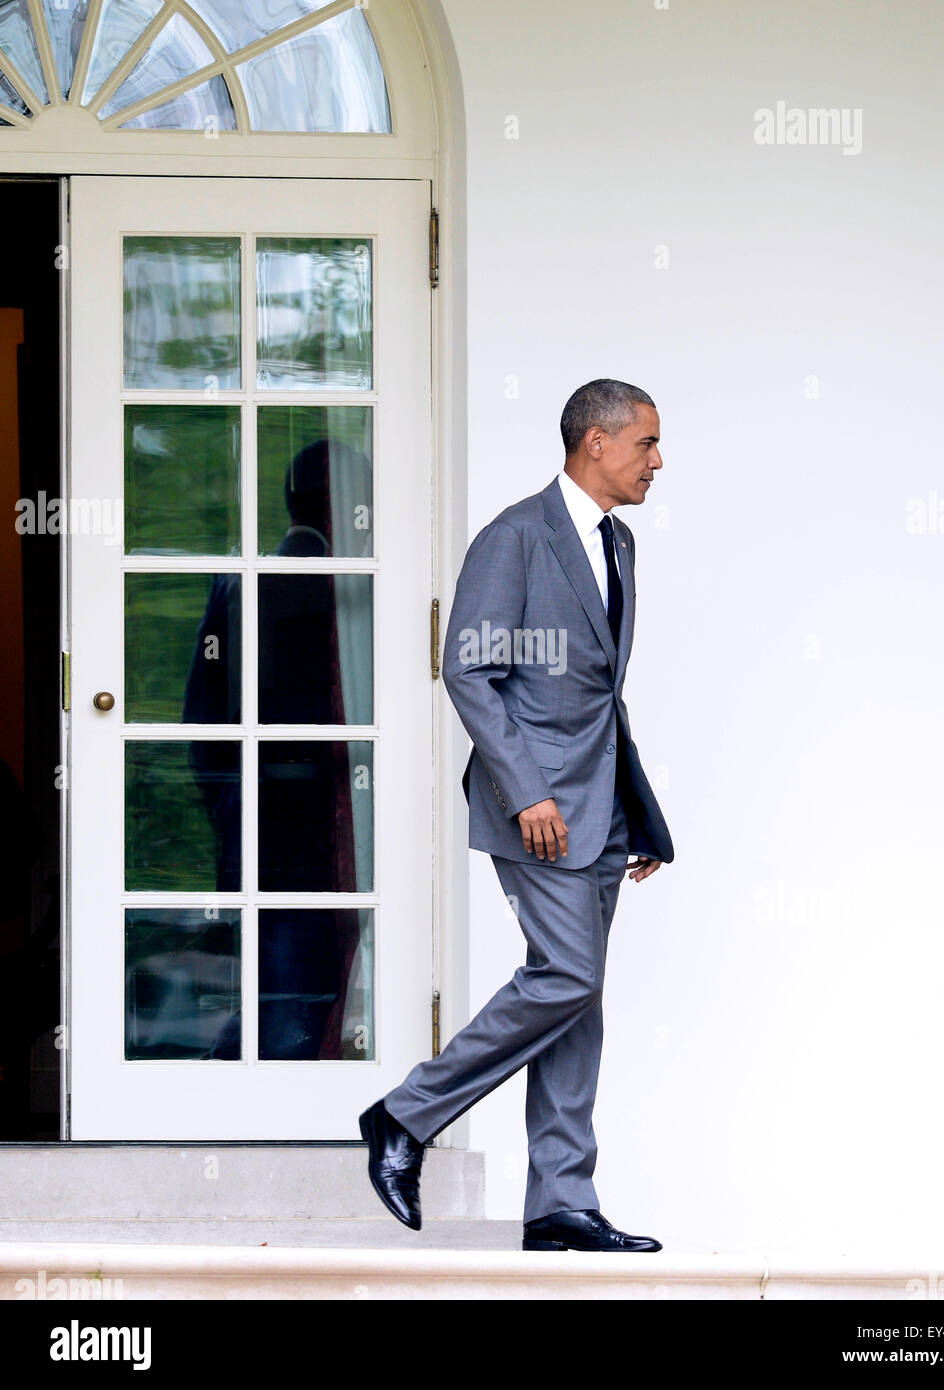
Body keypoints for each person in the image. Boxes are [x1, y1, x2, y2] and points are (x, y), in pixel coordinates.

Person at [359, 380, 674, 1252]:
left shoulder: (620, 545)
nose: (657, 461)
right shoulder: (515, 536)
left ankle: (559, 1203)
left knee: (580, 999)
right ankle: (403, 1117)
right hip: (534, 805)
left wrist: (633, 812)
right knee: (566, 977)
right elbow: (469, 671)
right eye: (646, 443)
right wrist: (529, 790)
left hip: (599, 808)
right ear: (596, 443)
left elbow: (599, 699)